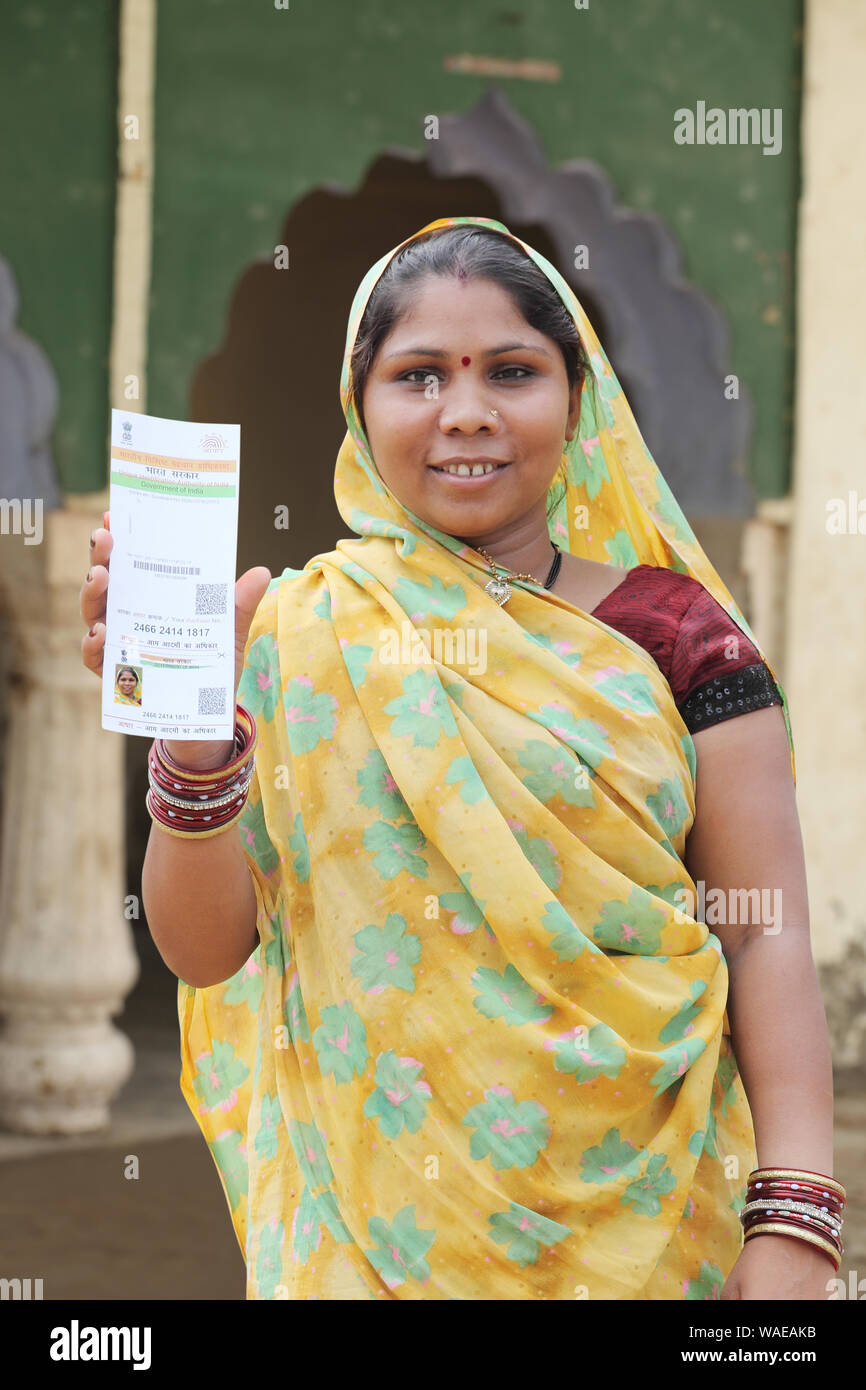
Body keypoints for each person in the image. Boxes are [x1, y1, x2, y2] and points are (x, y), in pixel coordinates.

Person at [81, 216, 840, 1300]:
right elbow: (204, 953)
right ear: (361, 407)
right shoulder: (299, 634)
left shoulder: (680, 638)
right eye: (419, 375)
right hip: (366, 1243)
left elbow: (765, 936)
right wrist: (196, 740)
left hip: (659, 1229)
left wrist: (796, 1216)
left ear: (576, 401)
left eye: (512, 371)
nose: (466, 412)